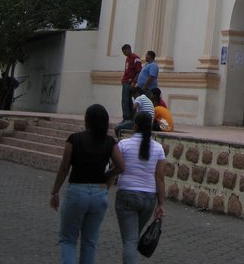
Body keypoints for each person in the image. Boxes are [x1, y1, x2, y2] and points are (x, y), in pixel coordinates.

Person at [50, 104, 125, 264]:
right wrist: (107, 176)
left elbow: (64, 168)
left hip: (77, 190)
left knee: (68, 239)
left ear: (87, 120)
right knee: (90, 242)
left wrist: (55, 192)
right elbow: (121, 166)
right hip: (99, 193)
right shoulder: (109, 142)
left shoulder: (74, 139)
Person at [114, 111, 165, 263]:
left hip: (127, 195)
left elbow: (115, 169)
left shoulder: (123, 144)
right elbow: (160, 178)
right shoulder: (158, 148)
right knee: (133, 238)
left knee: (129, 241)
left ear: (134, 126)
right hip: (148, 199)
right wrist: (161, 203)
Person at [119, 44, 142, 123]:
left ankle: (127, 118)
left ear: (128, 49)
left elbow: (139, 71)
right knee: (127, 100)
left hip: (130, 82)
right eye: (123, 52)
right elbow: (127, 71)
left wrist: (134, 82)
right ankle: (128, 117)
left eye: (125, 51)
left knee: (126, 100)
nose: (124, 53)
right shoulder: (127, 58)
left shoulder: (135, 58)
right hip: (125, 81)